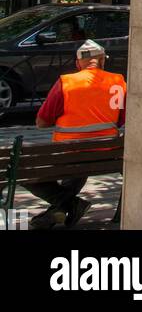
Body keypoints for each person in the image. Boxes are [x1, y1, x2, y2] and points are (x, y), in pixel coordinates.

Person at [30, 38, 126, 230]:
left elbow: (41, 122)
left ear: (77, 63)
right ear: (102, 61)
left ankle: (69, 204)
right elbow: (120, 120)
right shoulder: (118, 82)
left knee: (22, 169)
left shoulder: (67, 82)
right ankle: (59, 213)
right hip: (107, 153)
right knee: (82, 165)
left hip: (68, 155)